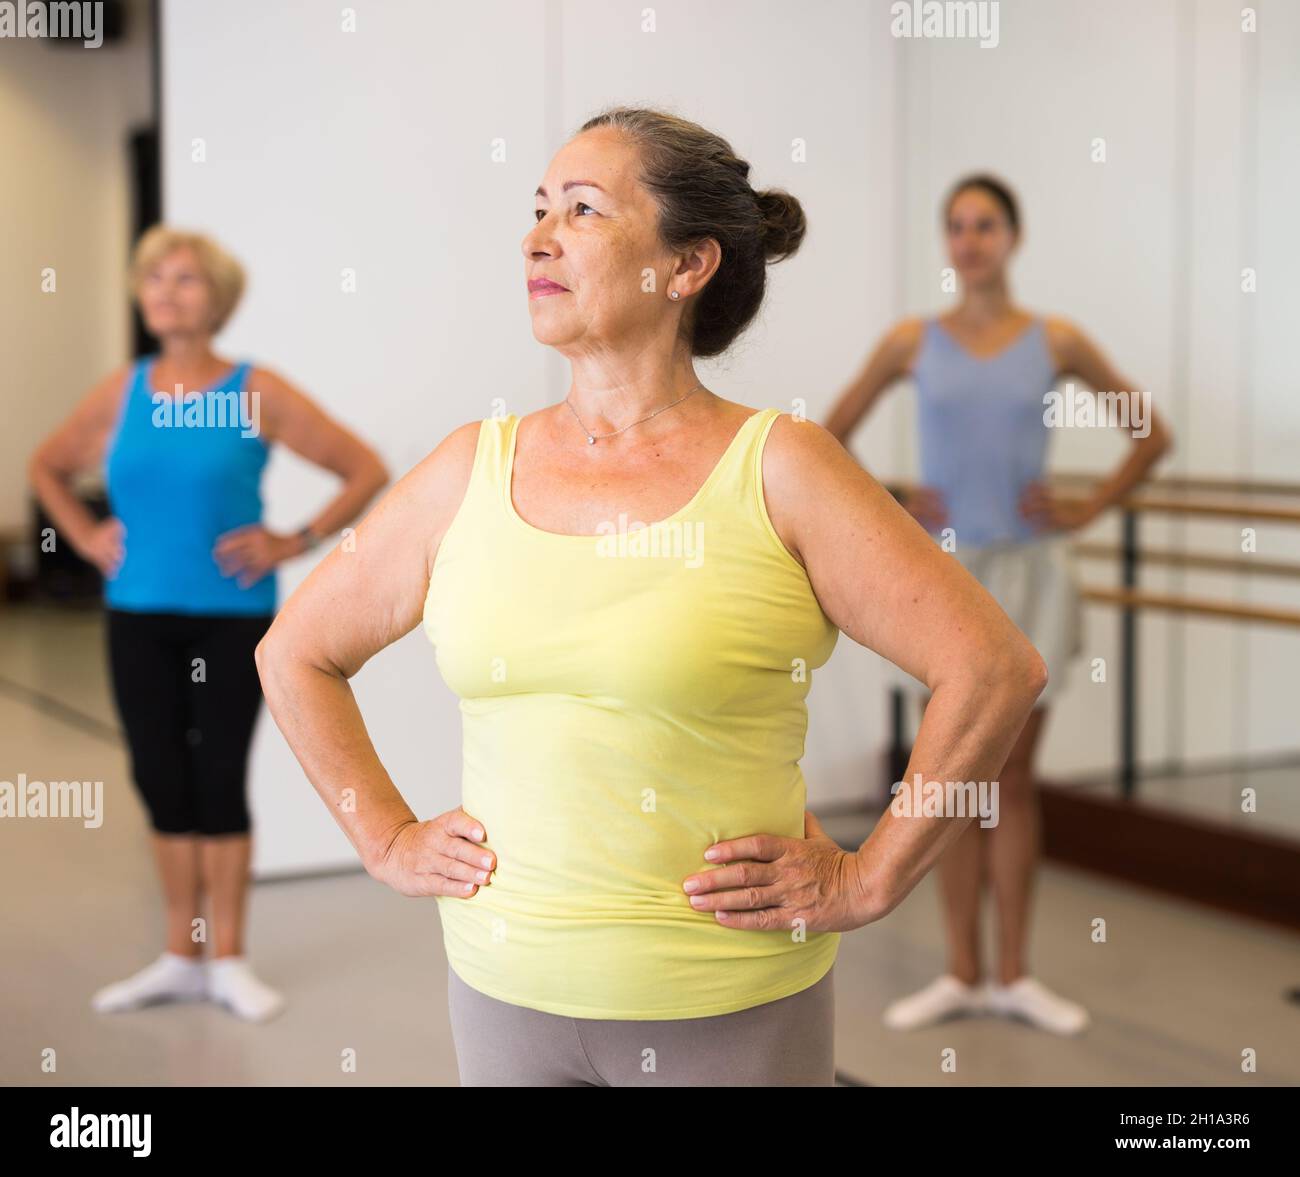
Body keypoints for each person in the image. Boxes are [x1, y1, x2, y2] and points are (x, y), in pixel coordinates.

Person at [255, 107, 1048, 1086]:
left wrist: (871, 876)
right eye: (539, 208)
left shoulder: (781, 465)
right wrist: (383, 836)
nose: (537, 237)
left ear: (686, 265)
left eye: (583, 209)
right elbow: (294, 652)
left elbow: (993, 667)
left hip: (727, 1000)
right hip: (501, 992)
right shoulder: (469, 466)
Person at [823, 173, 1173, 1035]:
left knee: (1012, 780)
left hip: (1032, 574)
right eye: (957, 226)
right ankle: (961, 971)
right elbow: (826, 437)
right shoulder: (912, 341)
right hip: (943, 577)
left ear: (1012, 237)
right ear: (947, 242)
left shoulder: (1057, 339)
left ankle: (1013, 973)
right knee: (948, 779)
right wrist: (892, 497)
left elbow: (1150, 434)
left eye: (985, 225)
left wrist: (1089, 507)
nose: (970, 240)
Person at [27, 226, 389, 1022]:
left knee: (218, 779)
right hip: (137, 617)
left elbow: (364, 467)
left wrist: (293, 538)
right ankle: (178, 955)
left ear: (217, 298)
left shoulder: (257, 390)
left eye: (185, 278)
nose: (166, 291)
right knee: (161, 781)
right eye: (154, 277)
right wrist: (84, 536)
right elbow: (46, 464)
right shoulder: (123, 390)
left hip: (232, 620)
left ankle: (226, 958)